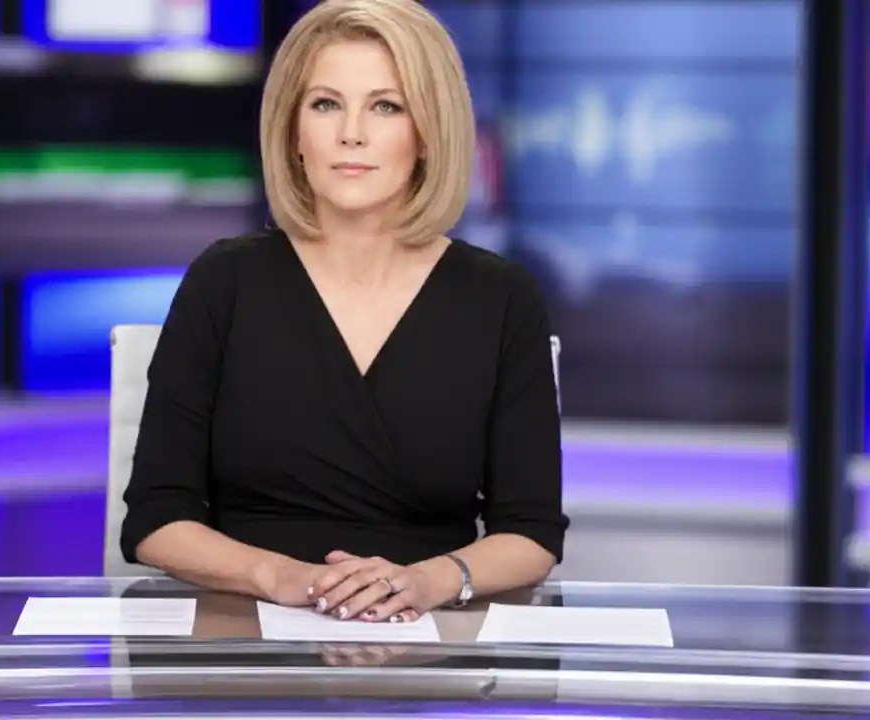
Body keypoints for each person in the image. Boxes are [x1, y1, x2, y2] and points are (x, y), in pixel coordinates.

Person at [120, 0, 567, 625]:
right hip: (241, 640)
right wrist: (285, 578)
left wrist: (427, 581)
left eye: (386, 106)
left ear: (428, 133)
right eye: (326, 104)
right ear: (293, 133)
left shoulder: (500, 297)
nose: (351, 132)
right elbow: (155, 519)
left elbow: (532, 533)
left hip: (428, 648)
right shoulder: (224, 280)